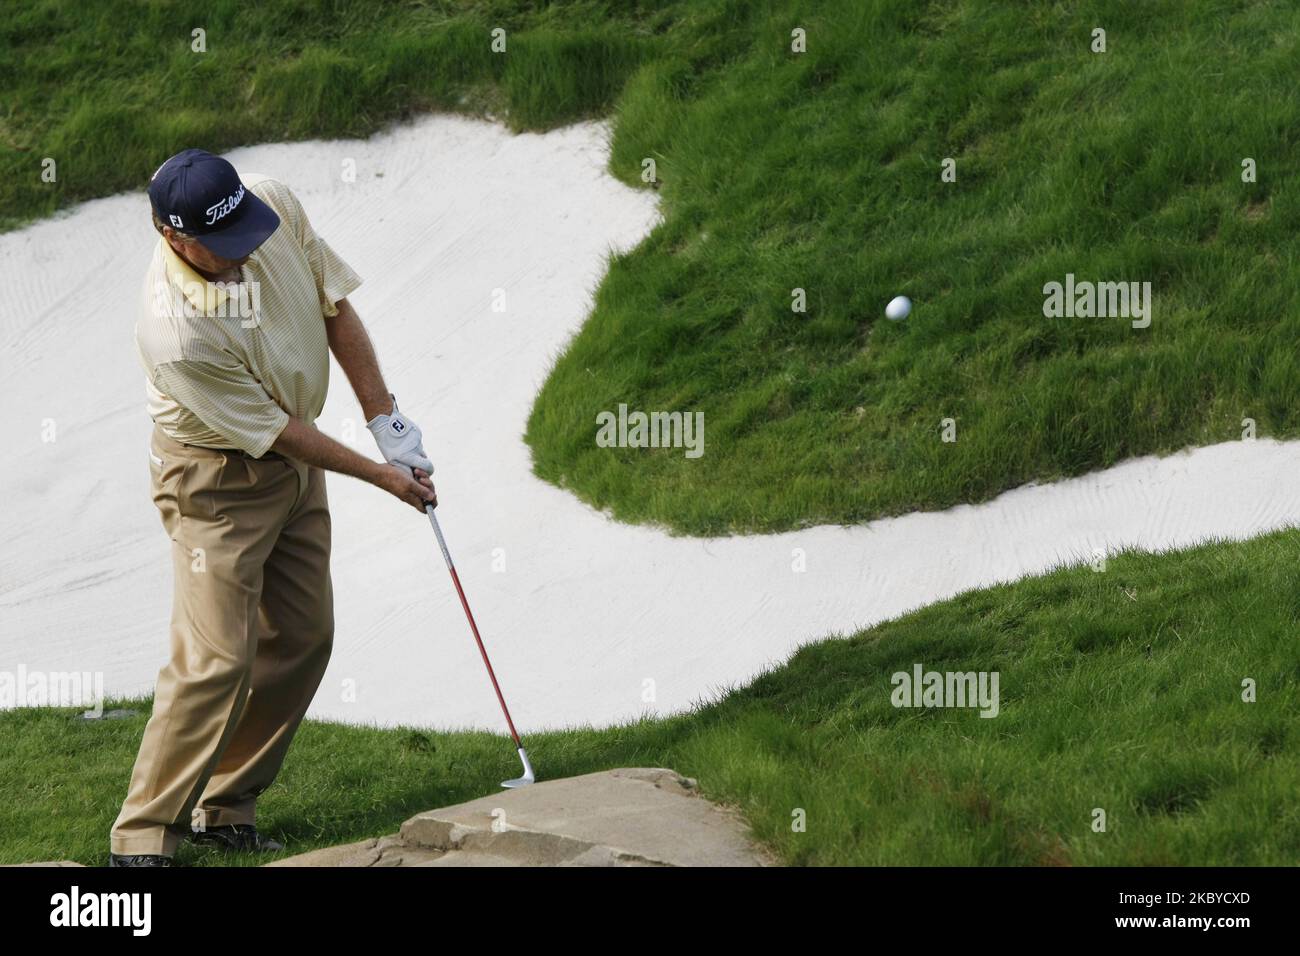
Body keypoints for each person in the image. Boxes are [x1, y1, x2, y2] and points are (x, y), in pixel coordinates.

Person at [109, 148, 436, 866]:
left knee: (304, 636)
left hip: (297, 466)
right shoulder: (175, 332)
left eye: (244, 233)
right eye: (222, 249)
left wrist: (386, 421)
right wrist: (383, 480)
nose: (243, 254)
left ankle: (226, 807)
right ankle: (141, 839)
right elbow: (276, 431)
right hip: (215, 485)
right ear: (174, 238)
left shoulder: (272, 205)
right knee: (216, 659)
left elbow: (333, 306)